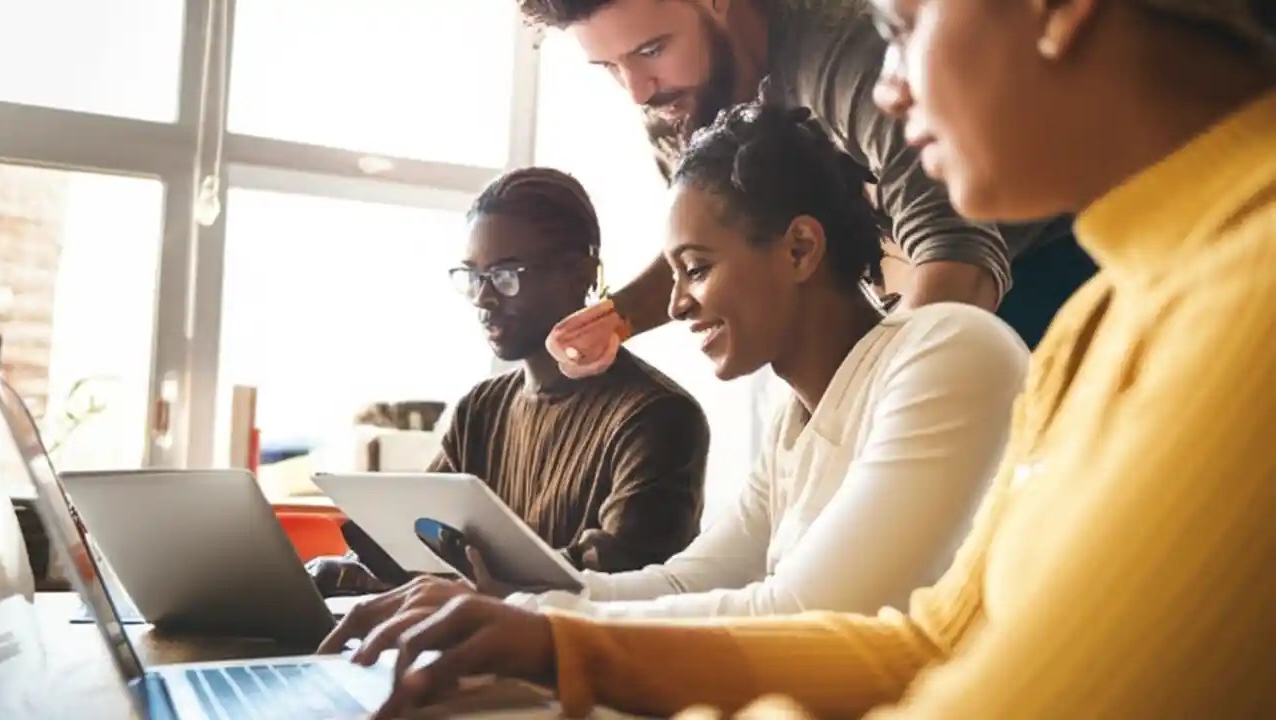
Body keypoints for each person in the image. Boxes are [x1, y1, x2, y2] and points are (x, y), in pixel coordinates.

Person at [355, 0, 1276, 717]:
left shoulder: (1243, 298)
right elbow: (925, 645)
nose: (889, 89)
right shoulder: (1105, 315)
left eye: (907, 27)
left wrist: (893, 376)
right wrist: (556, 645)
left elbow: (949, 265)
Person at [317, 101, 1026, 635]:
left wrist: (537, 627)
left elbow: (806, 611)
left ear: (801, 249)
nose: (678, 303)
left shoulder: (947, 351)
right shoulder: (798, 421)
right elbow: (692, 579)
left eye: (697, 268)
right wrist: (502, 602)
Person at [521, 0, 1081, 377]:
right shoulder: (675, 101)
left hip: (1056, 263)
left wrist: (871, 408)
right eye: (609, 67)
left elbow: (955, 245)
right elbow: (719, 247)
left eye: (652, 50)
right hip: (920, 300)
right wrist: (618, 318)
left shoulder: (844, 51)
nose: (639, 91)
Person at [309, 168, 710, 595]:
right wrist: (344, 571)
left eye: (505, 276)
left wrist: (467, 587)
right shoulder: (480, 410)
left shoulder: (657, 417)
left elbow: (619, 575)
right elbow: (417, 542)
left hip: (576, 656)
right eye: (473, 276)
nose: (483, 298)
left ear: (580, 275)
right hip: (469, 648)